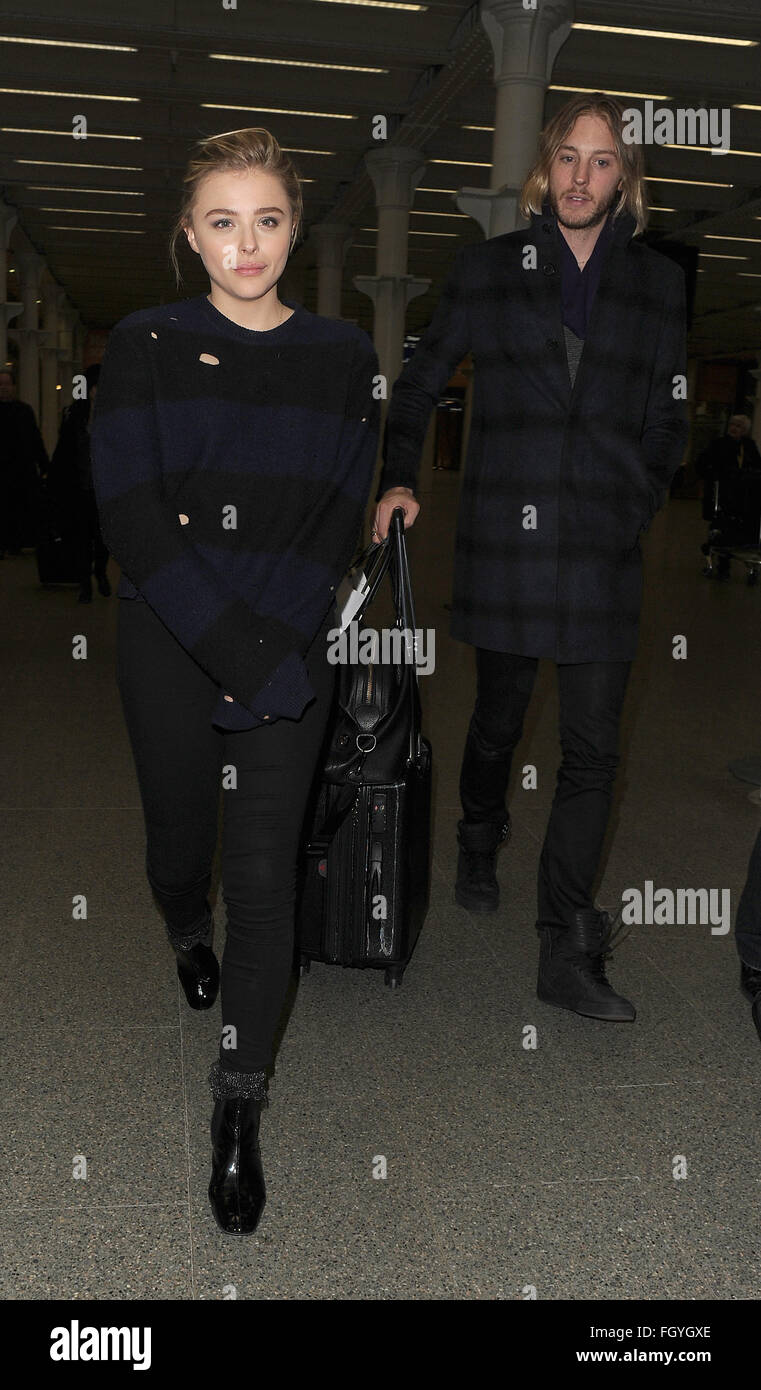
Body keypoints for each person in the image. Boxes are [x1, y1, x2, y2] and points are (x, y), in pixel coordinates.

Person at [90, 128, 380, 1235]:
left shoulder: (343, 353)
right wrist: (236, 650)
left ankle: (238, 1107)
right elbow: (131, 514)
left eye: (266, 219)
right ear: (188, 234)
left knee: (263, 885)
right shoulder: (144, 342)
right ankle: (176, 923)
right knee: (183, 848)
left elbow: (332, 522)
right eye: (222, 220)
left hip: (287, 643)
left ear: (294, 228)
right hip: (170, 637)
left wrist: (274, 652)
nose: (245, 243)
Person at [374, 93, 688, 1024]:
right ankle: (479, 836)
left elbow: (669, 412)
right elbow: (419, 381)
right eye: (567, 157)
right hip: (506, 545)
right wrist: (397, 479)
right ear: (544, 168)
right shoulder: (485, 269)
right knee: (500, 719)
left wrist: (632, 504)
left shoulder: (658, 283)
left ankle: (563, 946)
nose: (581, 176)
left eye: (600, 161)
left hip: (601, 549)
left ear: (624, 179)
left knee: (593, 752)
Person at [47, 363, 111, 602]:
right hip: (80, 488)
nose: (97, 391)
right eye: (94, 386)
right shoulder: (74, 415)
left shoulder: (116, 415)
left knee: (103, 539)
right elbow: (63, 452)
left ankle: (100, 571)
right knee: (82, 539)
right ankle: (85, 584)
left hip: (105, 491)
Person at [696, 415, 761, 579]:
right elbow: (702, 464)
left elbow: (757, 466)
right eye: (732, 424)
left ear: (745, 430)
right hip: (723, 494)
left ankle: (747, 557)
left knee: (744, 526)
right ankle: (722, 566)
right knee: (722, 526)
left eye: (738, 426)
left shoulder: (749, 446)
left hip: (745, 496)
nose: (734, 428)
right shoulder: (719, 444)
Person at [0, 367, 49, 556]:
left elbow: (35, 439)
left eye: (7, 384)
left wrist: (45, 465)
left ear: (14, 386)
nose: (4, 388)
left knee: (18, 508)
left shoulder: (24, 411)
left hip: (21, 471)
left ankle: (15, 543)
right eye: (1, 384)